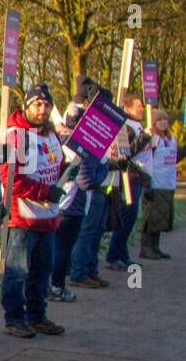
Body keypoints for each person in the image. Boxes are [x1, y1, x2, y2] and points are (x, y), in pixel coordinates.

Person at [0, 83, 66, 338]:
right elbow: (10, 179)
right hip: (22, 218)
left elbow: (56, 167)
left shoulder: (51, 135)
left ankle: (37, 316)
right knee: (17, 272)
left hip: (47, 217)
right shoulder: (15, 135)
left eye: (47, 105)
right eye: (37, 104)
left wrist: (66, 174)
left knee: (42, 271)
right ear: (27, 105)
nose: (42, 109)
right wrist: (45, 192)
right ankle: (14, 318)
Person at [66, 76, 121, 289]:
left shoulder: (102, 124)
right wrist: (106, 165)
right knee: (88, 231)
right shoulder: (84, 121)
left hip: (103, 184)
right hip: (91, 186)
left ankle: (90, 270)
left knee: (97, 231)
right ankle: (79, 272)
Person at [104, 94, 152, 271]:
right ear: (128, 108)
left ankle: (123, 255)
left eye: (142, 106)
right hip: (130, 177)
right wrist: (145, 138)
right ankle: (112, 256)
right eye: (138, 106)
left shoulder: (138, 125)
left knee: (130, 219)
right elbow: (126, 152)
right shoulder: (125, 126)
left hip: (140, 178)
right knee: (126, 218)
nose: (142, 109)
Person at [138, 108, 177, 259]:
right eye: (159, 120)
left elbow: (173, 158)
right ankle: (145, 247)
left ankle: (155, 247)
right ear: (153, 122)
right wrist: (147, 184)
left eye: (165, 119)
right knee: (151, 217)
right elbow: (145, 160)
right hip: (155, 183)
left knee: (161, 217)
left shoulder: (169, 138)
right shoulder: (152, 138)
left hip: (167, 184)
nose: (163, 122)